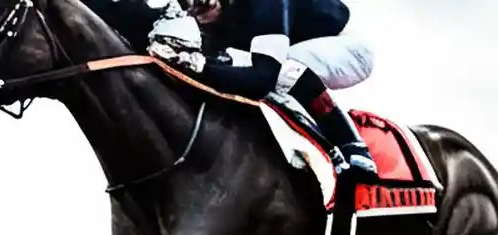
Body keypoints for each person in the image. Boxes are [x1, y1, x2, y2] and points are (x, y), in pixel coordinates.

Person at [146, 0, 378, 178]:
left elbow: (263, 78)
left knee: (282, 69)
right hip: (296, 45)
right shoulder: (200, 16)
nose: (196, 4)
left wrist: (196, 66)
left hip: (346, 48)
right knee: (230, 64)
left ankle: (352, 146)